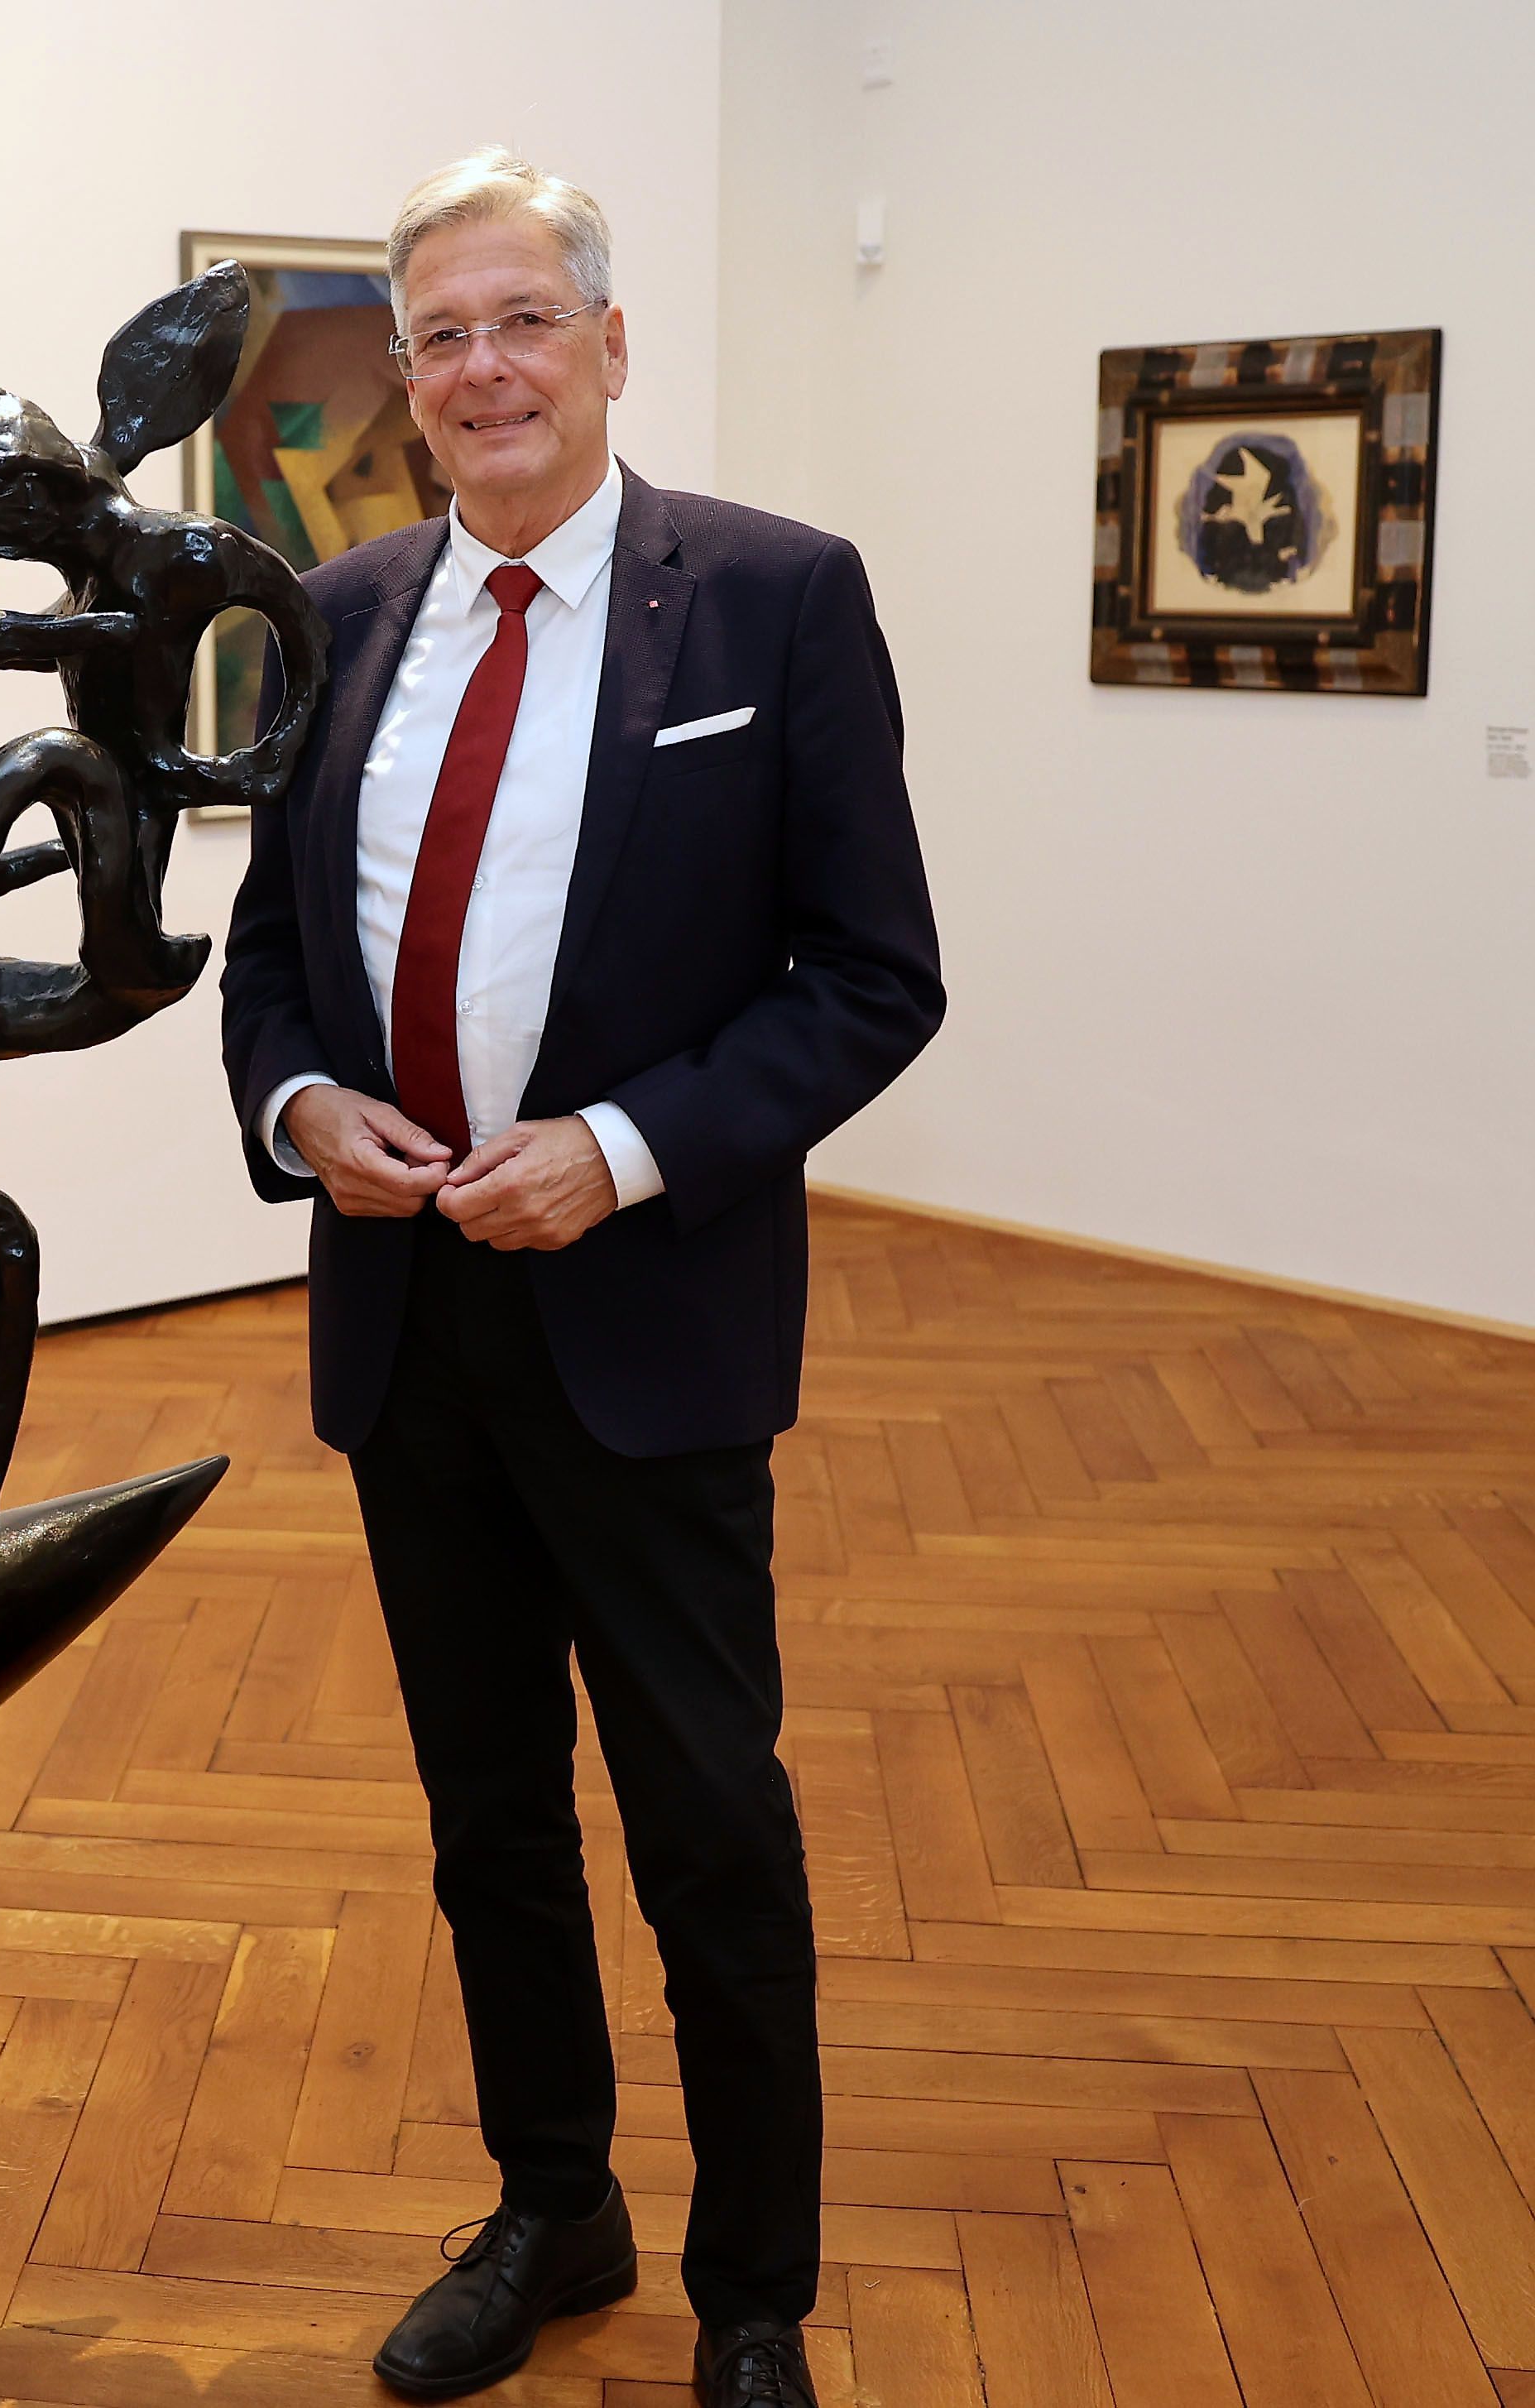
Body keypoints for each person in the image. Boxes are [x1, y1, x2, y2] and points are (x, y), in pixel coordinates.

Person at [217, 150, 942, 2408]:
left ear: (612, 348)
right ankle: (557, 2202)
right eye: (441, 335)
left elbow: (872, 978)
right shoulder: (331, 618)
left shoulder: (774, 600)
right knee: (487, 1816)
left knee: (710, 1818)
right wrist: (299, 1109)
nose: (485, 367)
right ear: (407, 385)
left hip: (651, 1323)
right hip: (409, 1323)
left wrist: (622, 1153)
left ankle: (752, 2288)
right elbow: (270, 969)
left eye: (526, 319)